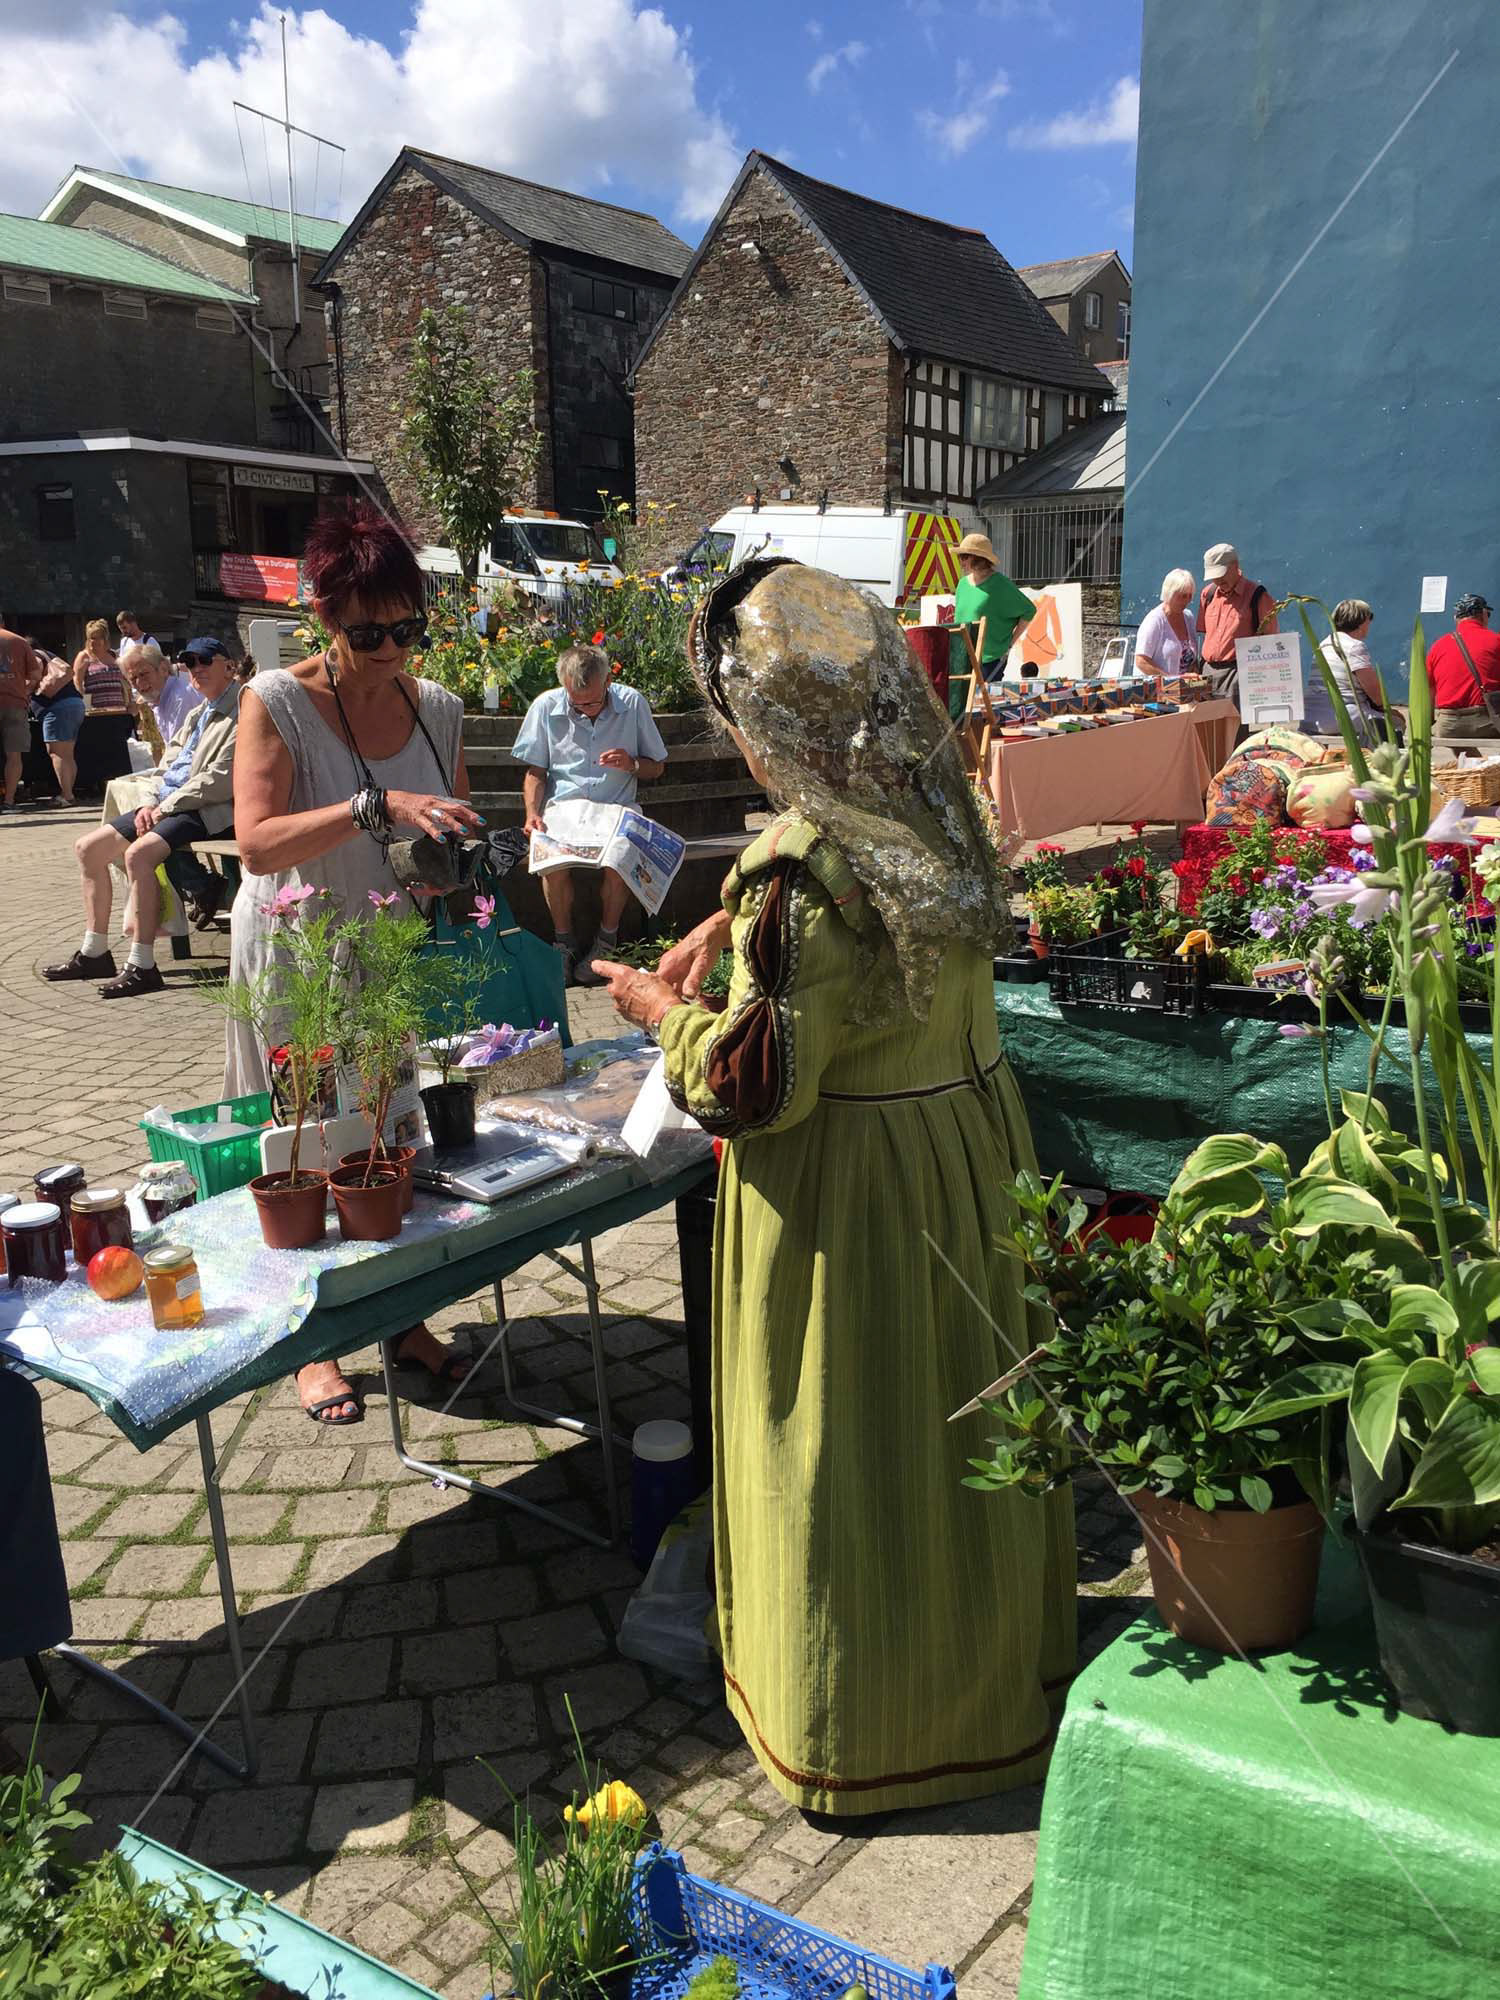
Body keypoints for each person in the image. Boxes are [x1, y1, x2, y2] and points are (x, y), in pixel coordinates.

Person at [595, 558, 1075, 1816]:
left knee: (850, 1448)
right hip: (963, 1151)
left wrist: (659, 1007)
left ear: (773, 723)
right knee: (957, 1428)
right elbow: (869, 968)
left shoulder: (805, 870)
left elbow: (755, 1085)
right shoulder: (940, 807)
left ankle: (859, 1725)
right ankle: (979, 1685)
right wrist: (733, 927)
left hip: (853, 1194)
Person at [227, 501, 480, 1425]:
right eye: (368, 631)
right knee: (303, 1155)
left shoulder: (435, 708)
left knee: (383, 1143)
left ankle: (404, 1321)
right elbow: (256, 845)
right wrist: (377, 806)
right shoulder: (277, 701)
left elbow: (438, 830)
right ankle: (312, 1345)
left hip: (383, 951)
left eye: (407, 627)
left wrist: (454, 859)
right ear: (326, 622)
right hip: (297, 950)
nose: (390, 648)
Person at [43, 640, 241, 997]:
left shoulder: (242, 711)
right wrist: (152, 802)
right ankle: (95, 952)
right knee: (88, 848)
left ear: (229, 666)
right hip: (170, 803)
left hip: (206, 809)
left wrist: (163, 807)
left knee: (139, 855)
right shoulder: (200, 713)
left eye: (205, 661)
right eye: (189, 662)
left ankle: (142, 964)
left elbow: (219, 779)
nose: (196, 668)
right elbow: (168, 767)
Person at [511, 641, 667, 986]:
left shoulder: (632, 703)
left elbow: (657, 767)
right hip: (564, 810)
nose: (586, 709)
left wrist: (633, 764)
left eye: (594, 701)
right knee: (549, 859)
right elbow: (535, 773)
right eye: (577, 702)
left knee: (622, 857)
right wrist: (531, 814)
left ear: (608, 682)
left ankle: (605, 943)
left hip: (616, 808)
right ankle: (564, 944)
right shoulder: (545, 707)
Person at [952, 532, 1035, 699]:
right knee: (962, 704)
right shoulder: (962, 585)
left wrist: (1010, 643)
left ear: (978, 558)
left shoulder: (1000, 584)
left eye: (964, 556)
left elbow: (1029, 610)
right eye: (960, 556)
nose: (960, 561)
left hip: (989, 658)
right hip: (963, 656)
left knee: (984, 704)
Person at [1196, 543, 1278, 700]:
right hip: (1207, 673)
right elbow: (1206, 634)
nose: (1218, 580)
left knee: (1235, 725)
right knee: (1206, 724)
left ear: (1235, 566)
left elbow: (1270, 641)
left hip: (1238, 675)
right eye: (1214, 575)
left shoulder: (1257, 596)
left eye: (1221, 573)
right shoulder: (1208, 594)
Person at [1303, 599, 1386, 743]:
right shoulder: (1354, 646)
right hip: (1342, 717)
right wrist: (1386, 709)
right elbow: (1375, 693)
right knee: (1395, 722)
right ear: (1362, 621)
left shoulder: (1324, 644)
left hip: (1311, 718)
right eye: (1369, 618)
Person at [1426, 594, 1500, 741]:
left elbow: (1428, 690)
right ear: (1484, 614)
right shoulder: (1495, 640)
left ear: (1456, 618)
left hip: (1449, 725)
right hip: (1489, 722)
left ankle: (1475, 763)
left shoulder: (1438, 646)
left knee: (1458, 740)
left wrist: (1426, 724)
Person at [31, 647, 86, 804]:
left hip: (57, 709)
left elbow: (33, 677)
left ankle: (67, 796)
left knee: (57, 753)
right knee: (67, 754)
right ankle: (67, 793)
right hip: (74, 705)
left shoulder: (34, 656)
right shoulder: (49, 654)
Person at [122, 641, 203, 745]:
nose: (139, 683)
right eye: (133, 678)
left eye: (144, 674)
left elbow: (179, 750)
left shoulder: (180, 698)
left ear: (163, 669)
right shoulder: (159, 697)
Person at [0, 613, 40, 813]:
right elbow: (35, 675)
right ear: (3, 622)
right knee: (14, 756)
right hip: (15, 704)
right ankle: (9, 801)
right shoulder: (19, 641)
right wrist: (23, 690)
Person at [1134, 569, 1201, 681]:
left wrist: (1193, 671)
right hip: (1159, 693)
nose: (1187, 600)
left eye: (1190, 596)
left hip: (1185, 691)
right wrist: (1171, 680)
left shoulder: (1188, 617)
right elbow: (1141, 661)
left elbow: (1191, 658)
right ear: (1169, 593)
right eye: (1183, 596)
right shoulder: (1154, 620)